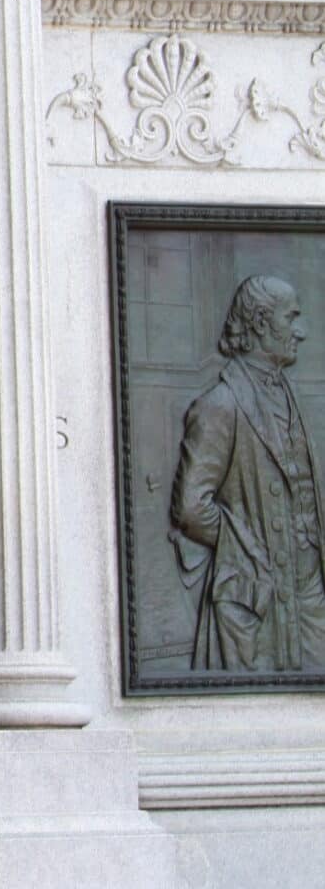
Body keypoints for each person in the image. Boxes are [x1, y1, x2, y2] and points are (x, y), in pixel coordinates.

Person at [171, 274, 325, 673]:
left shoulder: (294, 399)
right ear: (259, 323)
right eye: (291, 318)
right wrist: (244, 547)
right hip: (252, 600)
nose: (301, 331)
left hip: (309, 596)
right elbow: (191, 508)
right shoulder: (219, 406)